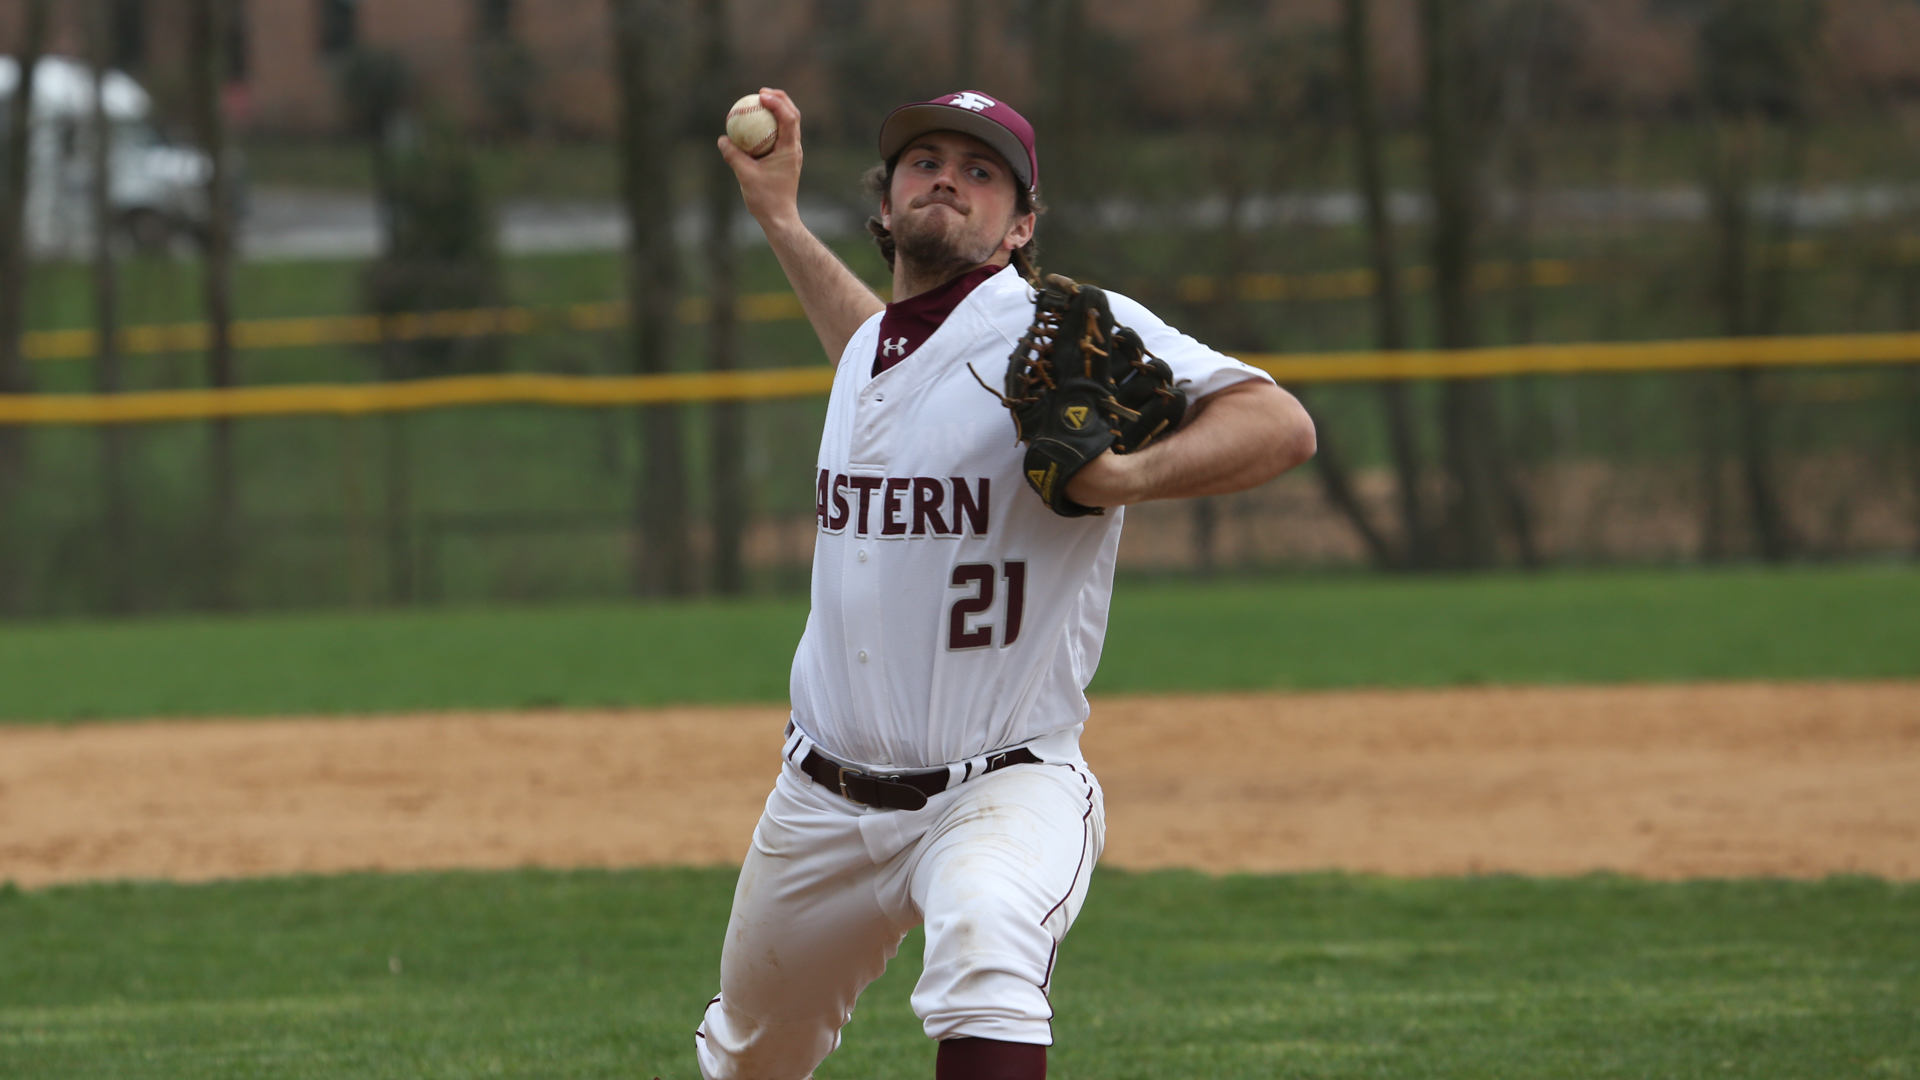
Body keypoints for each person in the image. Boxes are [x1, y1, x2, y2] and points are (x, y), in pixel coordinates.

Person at [700, 88, 1316, 1080]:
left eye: (982, 171)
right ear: (889, 199)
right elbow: (883, 352)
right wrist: (777, 218)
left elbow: (1280, 424)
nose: (948, 175)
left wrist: (1120, 477)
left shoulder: (1050, 327)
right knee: (749, 1057)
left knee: (988, 945)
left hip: (1000, 786)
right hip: (818, 801)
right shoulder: (879, 347)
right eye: (925, 160)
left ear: (1020, 226)